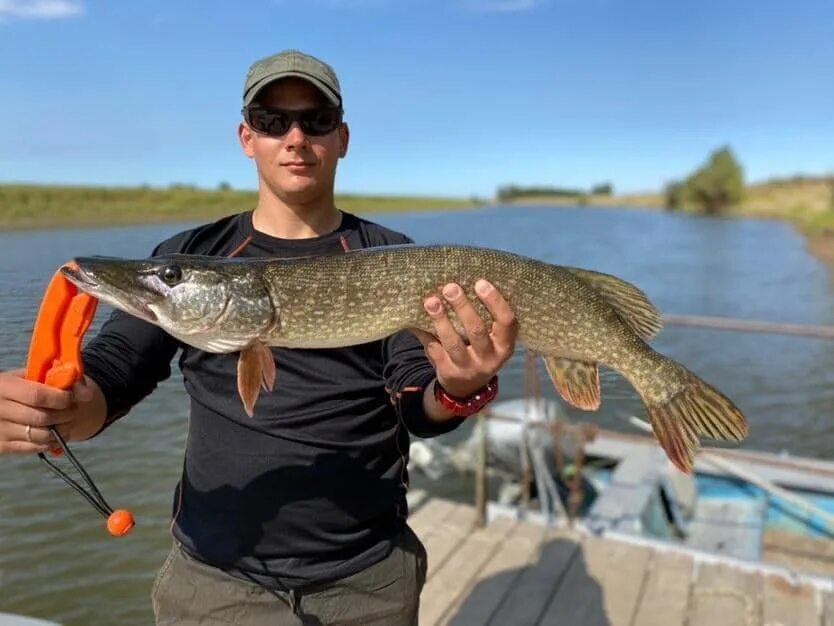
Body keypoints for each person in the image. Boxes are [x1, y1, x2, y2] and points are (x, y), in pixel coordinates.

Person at [0, 49, 518, 625]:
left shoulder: (388, 257)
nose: (295, 137)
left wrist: (460, 388)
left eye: (316, 120)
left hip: (368, 581)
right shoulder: (196, 253)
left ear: (342, 138)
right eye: (273, 121)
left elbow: (418, 403)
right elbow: (119, 369)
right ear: (248, 137)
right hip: (217, 582)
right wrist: (62, 409)